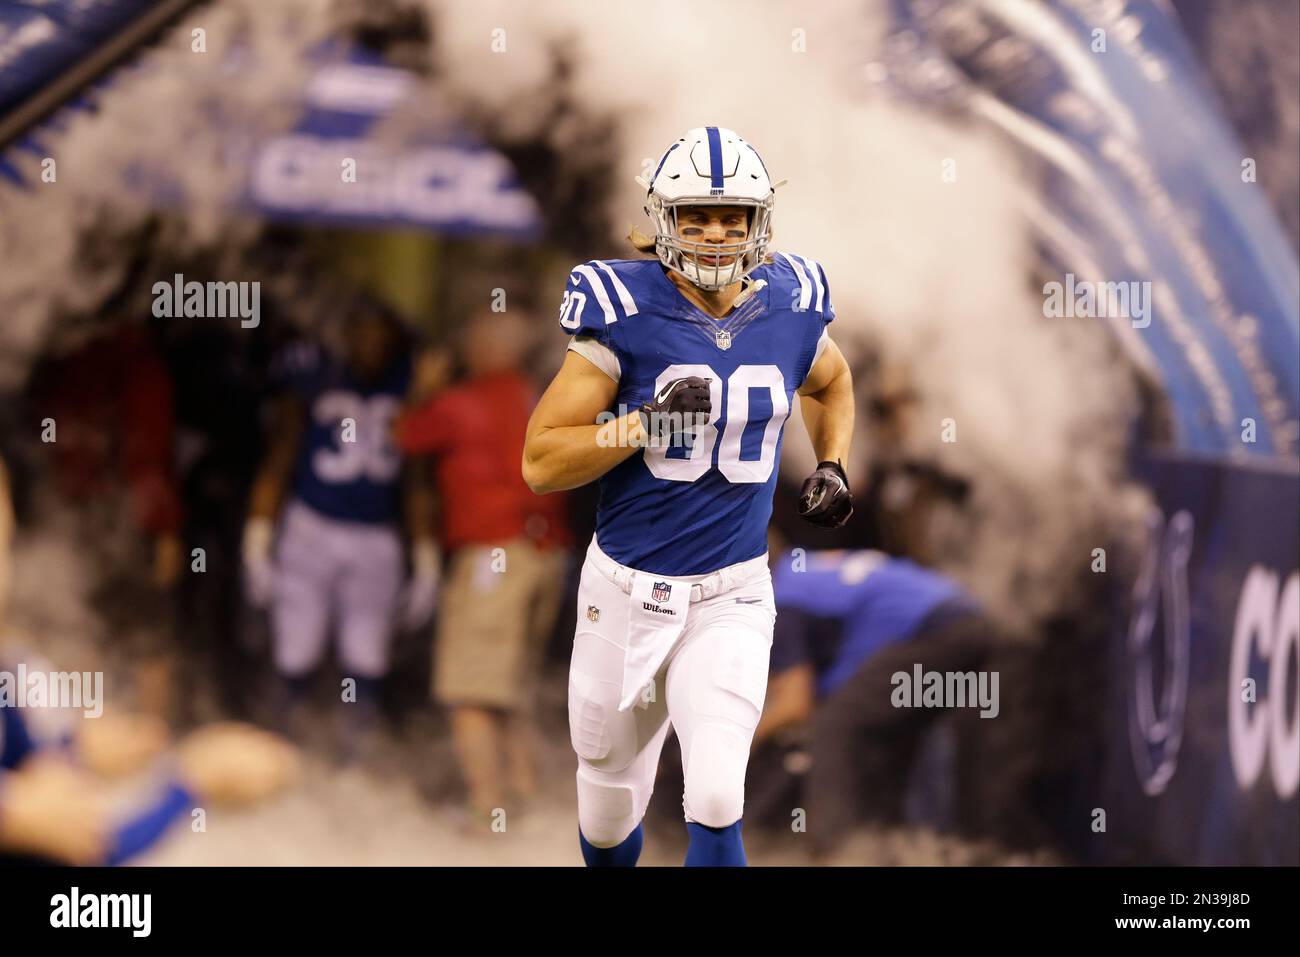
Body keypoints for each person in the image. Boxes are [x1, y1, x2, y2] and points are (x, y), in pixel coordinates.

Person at [522, 127, 856, 866]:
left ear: (757, 222)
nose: (714, 234)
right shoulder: (622, 306)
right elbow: (541, 461)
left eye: (731, 218)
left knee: (714, 796)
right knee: (609, 811)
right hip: (625, 590)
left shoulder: (793, 300)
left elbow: (830, 379)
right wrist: (642, 426)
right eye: (696, 217)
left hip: (731, 593)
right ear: (663, 221)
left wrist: (832, 460)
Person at [394, 309, 572, 825]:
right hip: (547, 556)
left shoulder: (459, 402)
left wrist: (421, 388)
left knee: (470, 690)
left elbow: (403, 436)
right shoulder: (542, 398)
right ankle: (525, 808)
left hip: (495, 556)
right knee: (510, 689)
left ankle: (486, 809)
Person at [241, 297, 438, 751]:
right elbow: (280, 458)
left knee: (366, 652)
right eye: (362, 332)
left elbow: (416, 480)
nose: (371, 344)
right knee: (297, 645)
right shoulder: (315, 377)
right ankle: (282, 751)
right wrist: (256, 540)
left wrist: (425, 560)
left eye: (380, 336)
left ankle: (354, 759)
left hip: (375, 534)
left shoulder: (408, 387)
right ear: (346, 335)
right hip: (311, 524)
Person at [753, 547, 990, 856]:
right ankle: (920, 847)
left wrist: (744, 738)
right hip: (967, 622)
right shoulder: (809, 571)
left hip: (932, 630)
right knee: (900, 732)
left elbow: (796, 703)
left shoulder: (782, 600)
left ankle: (839, 853)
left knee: (837, 726)